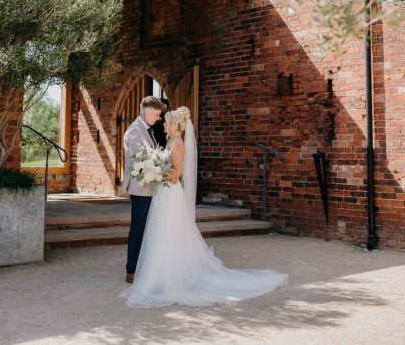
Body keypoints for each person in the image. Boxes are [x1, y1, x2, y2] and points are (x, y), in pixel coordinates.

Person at [121, 106, 288, 307]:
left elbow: (176, 174)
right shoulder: (171, 141)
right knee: (164, 233)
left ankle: (166, 275)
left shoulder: (175, 144)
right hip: (165, 194)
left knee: (167, 232)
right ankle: (160, 273)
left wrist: (154, 172)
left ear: (173, 124)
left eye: (165, 121)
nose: (163, 124)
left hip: (169, 193)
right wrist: (155, 171)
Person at [122, 95, 167, 284]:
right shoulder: (134, 132)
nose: (158, 118)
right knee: (139, 228)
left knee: (146, 228)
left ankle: (142, 267)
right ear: (147, 111)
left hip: (149, 187)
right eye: (156, 114)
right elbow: (144, 161)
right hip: (141, 189)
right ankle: (131, 270)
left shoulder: (146, 129)